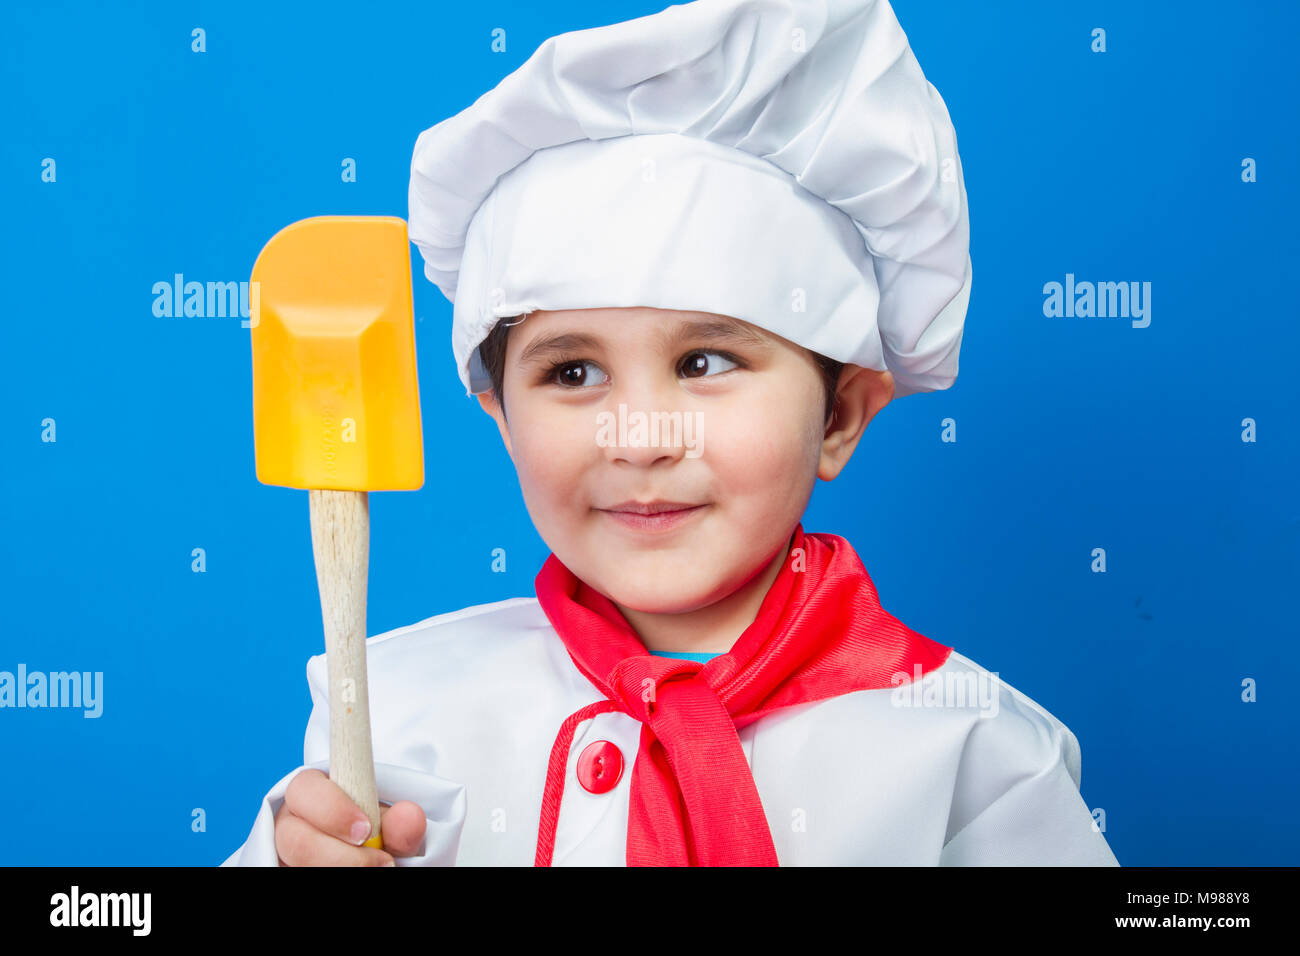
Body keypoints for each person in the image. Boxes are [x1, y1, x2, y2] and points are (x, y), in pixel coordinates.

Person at [222, 0, 1119, 866]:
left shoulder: (974, 757)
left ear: (839, 415)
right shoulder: (387, 718)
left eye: (705, 363)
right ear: (500, 417)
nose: (640, 437)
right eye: (572, 373)